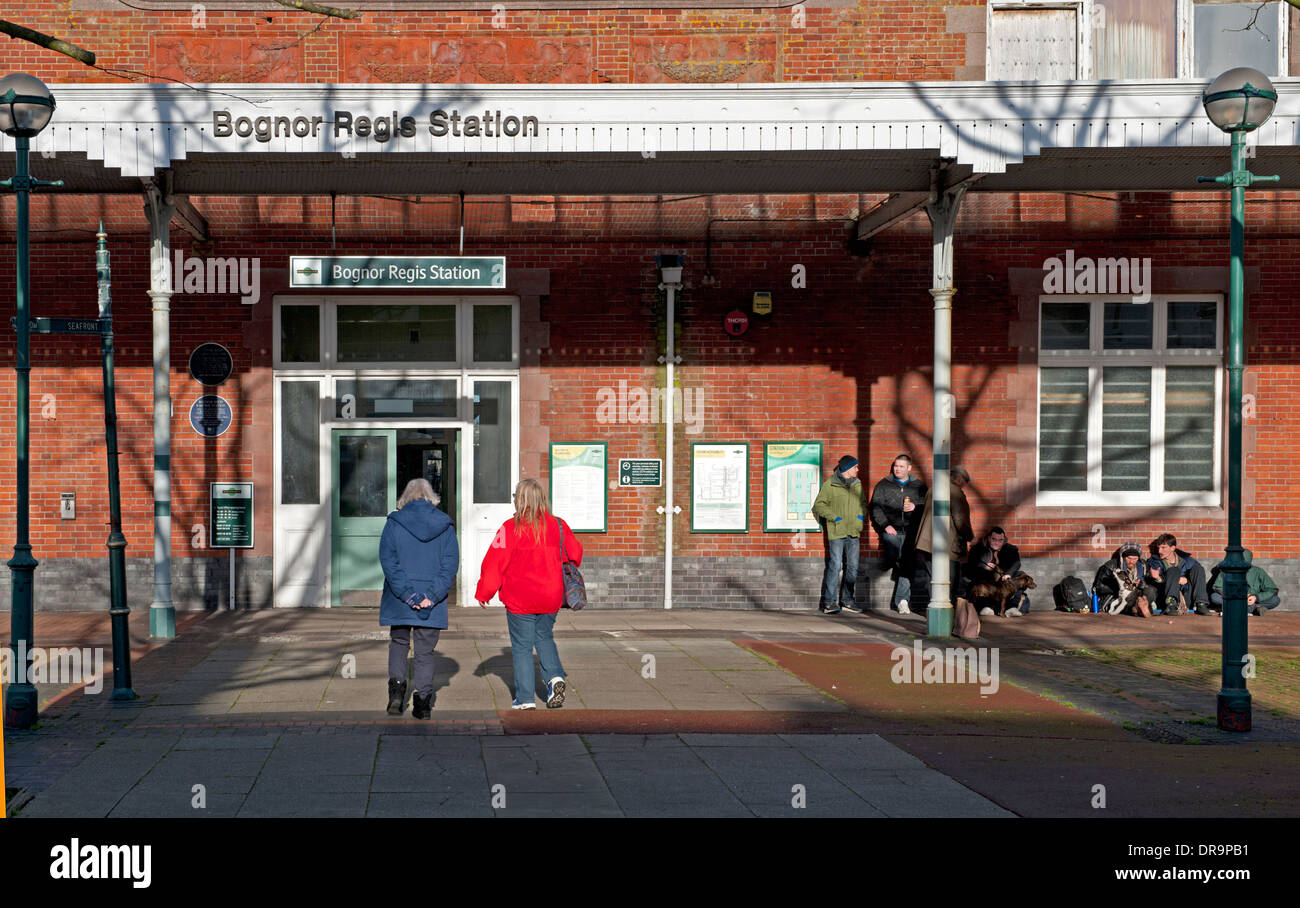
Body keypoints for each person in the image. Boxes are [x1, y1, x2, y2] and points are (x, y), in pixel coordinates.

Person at [476, 478, 582, 709]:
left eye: (515, 497)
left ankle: (524, 699)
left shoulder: (510, 527)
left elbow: (495, 563)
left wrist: (484, 591)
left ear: (520, 500)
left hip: (520, 597)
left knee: (522, 647)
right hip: (550, 595)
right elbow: (575, 554)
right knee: (544, 637)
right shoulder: (559, 525)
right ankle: (555, 678)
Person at [380, 478, 460, 719]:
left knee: (399, 643)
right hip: (431, 601)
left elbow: (388, 561)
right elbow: (450, 565)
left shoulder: (394, 523)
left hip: (399, 598)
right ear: (431, 497)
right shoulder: (445, 525)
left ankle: (396, 694)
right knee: (425, 652)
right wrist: (430, 596)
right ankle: (423, 703)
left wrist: (408, 594)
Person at [905, 466, 973, 614]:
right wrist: (969, 536)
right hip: (947, 544)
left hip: (927, 542)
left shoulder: (933, 489)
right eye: (963, 483)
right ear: (959, 479)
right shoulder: (955, 492)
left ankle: (934, 608)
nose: (963, 487)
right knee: (950, 579)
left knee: (932, 576)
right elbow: (960, 520)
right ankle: (946, 611)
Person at [869, 454, 928, 614]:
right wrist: (886, 525)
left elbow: (927, 506)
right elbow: (875, 507)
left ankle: (902, 601)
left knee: (907, 563)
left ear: (909, 468)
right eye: (896, 466)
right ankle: (892, 561)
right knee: (895, 550)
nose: (898, 469)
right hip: (891, 530)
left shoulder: (919, 486)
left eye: (901, 466)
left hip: (911, 532)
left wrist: (916, 507)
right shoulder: (884, 484)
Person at [812, 455, 867, 615]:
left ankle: (848, 600)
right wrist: (835, 518)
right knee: (835, 566)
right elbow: (819, 505)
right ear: (847, 469)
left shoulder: (857, 484)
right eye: (855, 467)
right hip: (837, 532)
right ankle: (829, 603)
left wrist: (860, 518)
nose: (858, 469)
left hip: (853, 532)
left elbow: (863, 503)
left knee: (853, 567)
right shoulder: (830, 485)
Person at [966, 526, 1031, 616]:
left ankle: (1012, 607)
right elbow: (970, 566)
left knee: (1021, 576)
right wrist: (984, 567)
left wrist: (1009, 574)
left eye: (1000, 540)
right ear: (989, 538)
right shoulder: (978, 549)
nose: (997, 542)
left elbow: (1017, 563)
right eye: (994, 539)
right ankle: (987, 606)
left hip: (1004, 579)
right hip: (987, 580)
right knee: (984, 577)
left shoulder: (1011, 549)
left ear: (1003, 540)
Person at [1143, 533, 1209, 617]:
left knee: (1198, 569)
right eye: (1158, 547)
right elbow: (1149, 582)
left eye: (1163, 547)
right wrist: (1158, 578)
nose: (1159, 551)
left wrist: (1186, 580)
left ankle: (1201, 603)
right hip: (1165, 598)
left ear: (1172, 548)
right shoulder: (1154, 561)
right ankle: (1171, 604)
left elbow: (1198, 575)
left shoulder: (1186, 560)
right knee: (1173, 570)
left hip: (1185, 597)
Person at [1208, 548, 1281, 616]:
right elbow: (1217, 586)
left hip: (1251, 599)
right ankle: (1253, 609)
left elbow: (1272, 589)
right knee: (1214, 597)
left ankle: (1239, 608)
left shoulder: (1259, 572)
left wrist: (1256, 598)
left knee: (1275, 600)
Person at [1092, 540, 1153, 618]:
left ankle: (1140, 606)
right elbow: (1097, 587)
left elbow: (1150, 583)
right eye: (1129, 558)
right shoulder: (1110, 566)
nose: (1131, 561)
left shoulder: (1143, 565)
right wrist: (1119, 586)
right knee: (1128, 600)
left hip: (1135, 594)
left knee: (1150, 590)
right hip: (1117, 597)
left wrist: (1142, 584)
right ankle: (1139, 608)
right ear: (1123, 556)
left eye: (1135, 559)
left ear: (1139, 558)